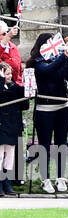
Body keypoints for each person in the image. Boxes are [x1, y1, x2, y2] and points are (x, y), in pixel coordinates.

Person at [30, 32, 68, 193]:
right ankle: (45, 179)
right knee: (44, 146)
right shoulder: (38, 62)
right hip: (44, 110)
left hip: (62, 108)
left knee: (62, 144)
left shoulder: (62, 60)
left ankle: (60, 177)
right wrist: (63, 58)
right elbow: (47, 71)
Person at [0, 60, 29, 196]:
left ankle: (7, 182)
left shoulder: (14, 87)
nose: (9, 76)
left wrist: (29, 88)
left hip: (13, 125)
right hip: (1, 126)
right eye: (6, 74)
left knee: (9, 156)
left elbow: (24, 105)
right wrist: (1, 82)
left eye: (10, 74)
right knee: (0, 156)